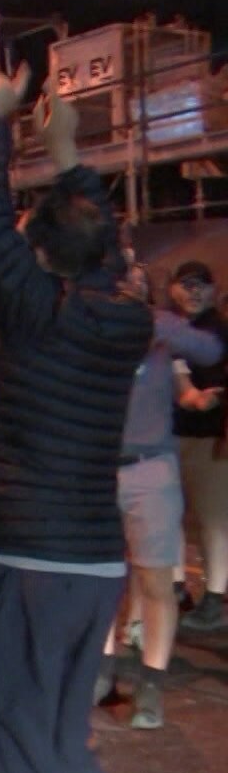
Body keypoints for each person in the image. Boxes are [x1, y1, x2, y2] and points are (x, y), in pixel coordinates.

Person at [0, 66, 152, 773]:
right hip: (94, 562)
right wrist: (66, 153)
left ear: (39, 257)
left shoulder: (37, 312)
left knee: (2, 730)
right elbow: (94, 233)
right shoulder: (126, 308)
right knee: (60, 738)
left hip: (28, 560)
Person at [94, 271, 219, 728]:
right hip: (99, 467)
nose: (125, 282)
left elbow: (210, 349)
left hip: (151, 467)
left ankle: (151, 679)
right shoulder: (92, 326)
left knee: (155, 580)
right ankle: (103, 668)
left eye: (134, 278)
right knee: (104, 576)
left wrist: (158, 326)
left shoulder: (162, 328)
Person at [171, 260, 228, 632]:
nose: (194, 292)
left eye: (201, 285)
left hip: (211, 438)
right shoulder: (165, 326)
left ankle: (214, 598)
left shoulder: (221, 330)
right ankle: (177, 590)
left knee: (213, 521)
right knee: (169, 517)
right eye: (186, 284)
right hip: (170, 437)